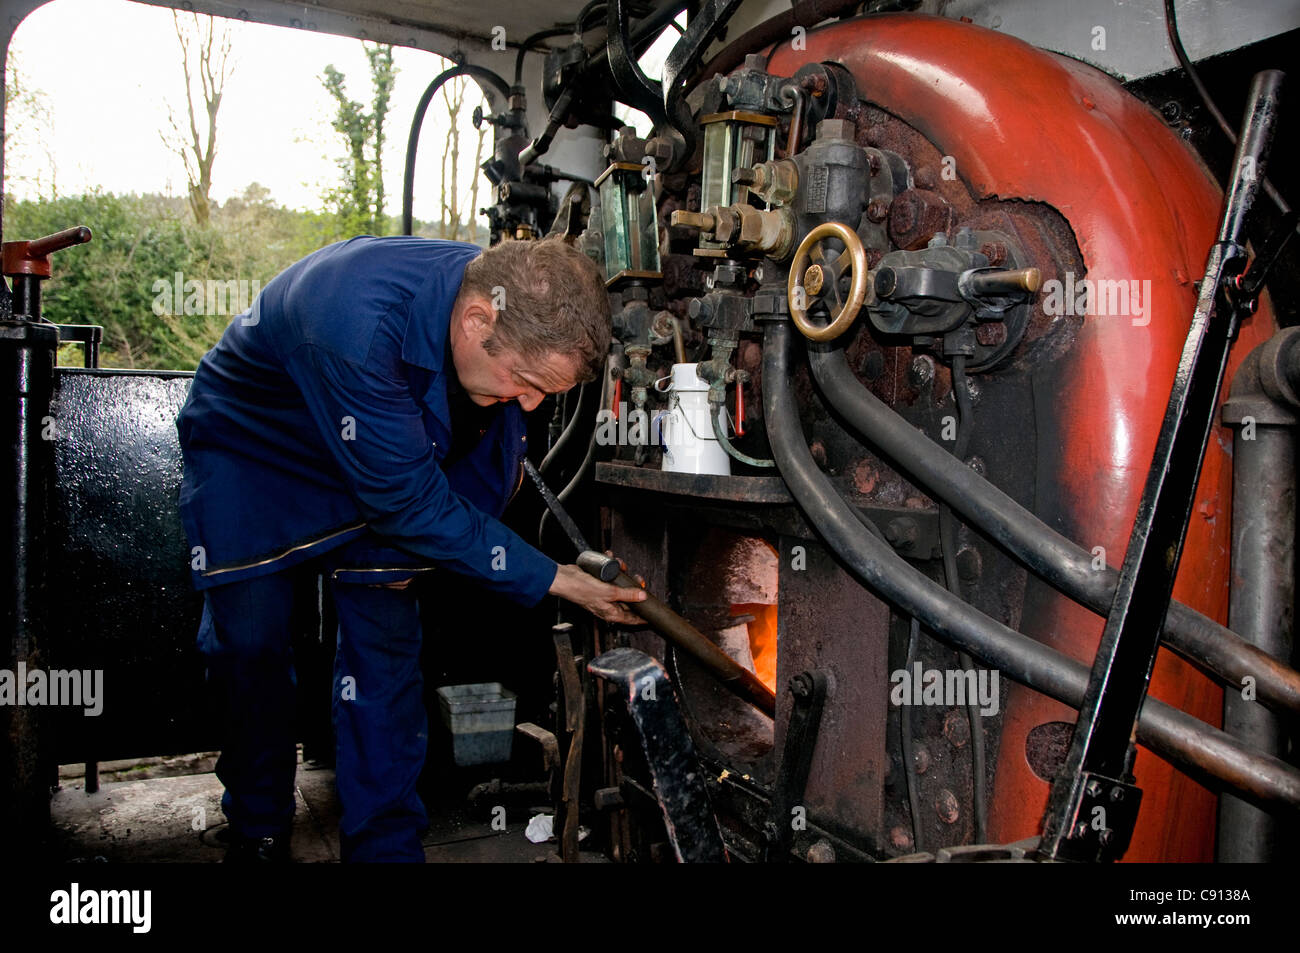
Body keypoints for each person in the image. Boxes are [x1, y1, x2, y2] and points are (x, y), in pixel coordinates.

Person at [175, 235, 646, 863]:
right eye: (527, 382)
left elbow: (480, 459)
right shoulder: (352, 318)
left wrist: (429, 552)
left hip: (393, 453)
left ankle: (386, 849)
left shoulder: (502, 300)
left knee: (387, 650)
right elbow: (406, 504)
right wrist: (558, 578)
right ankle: (258, 825)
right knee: (251, 645)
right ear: (478, 321)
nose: (531, 404)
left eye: (545, 392)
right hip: (257, 455)